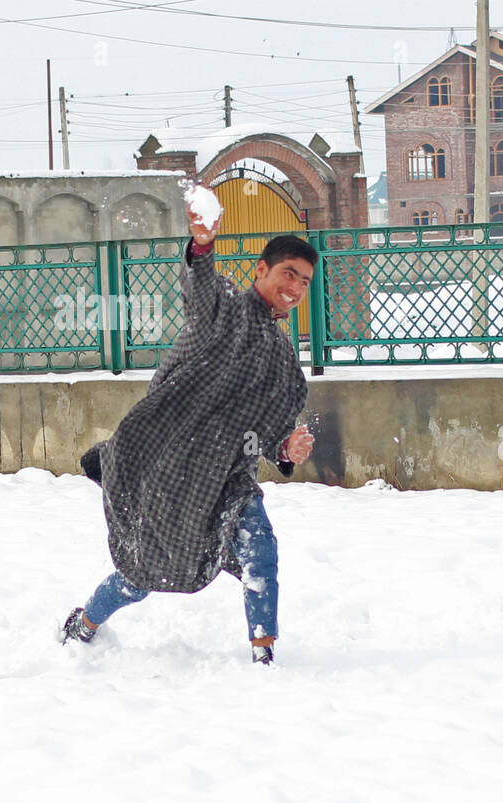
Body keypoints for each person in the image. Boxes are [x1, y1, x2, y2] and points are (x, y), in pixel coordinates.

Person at [60, 194, 316, 665]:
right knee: (141, 574)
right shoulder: (224, 312)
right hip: (168, 468)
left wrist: (287, 446)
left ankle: (264, 656)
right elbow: (200, 286)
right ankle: (86, 622)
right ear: (261, 270)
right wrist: (202, 244)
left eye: (304, 280)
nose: (296, 287)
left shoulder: (284, 359)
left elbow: (272, 430)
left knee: (260, 550)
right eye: (288, 273)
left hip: (226, 478)